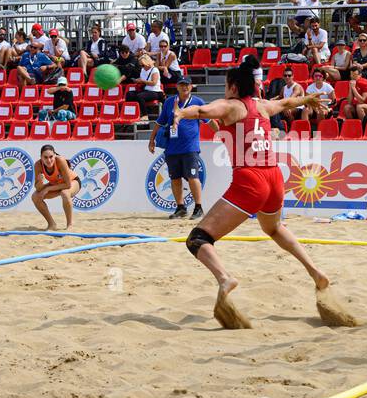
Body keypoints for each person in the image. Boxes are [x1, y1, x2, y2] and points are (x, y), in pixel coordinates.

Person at [172, 55, 354, 330]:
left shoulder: (232, 105)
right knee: (275, 228)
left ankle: (224, 278)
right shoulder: (262, 105)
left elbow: (203, 112)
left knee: (197, 239)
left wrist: (180, 113)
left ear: (233, 86)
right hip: (274, 177)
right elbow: (287, 102)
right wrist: (308, 100)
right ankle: (316, 272)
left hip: (250, 179)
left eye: (226, 85)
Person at [151, 75, 205, 220]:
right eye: (181, 84)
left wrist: (220, 132)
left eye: (186, 84)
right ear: (177, 86)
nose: (184, 87)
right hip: (172, 147)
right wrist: (151, 140)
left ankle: (198, 207)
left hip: (190, 147)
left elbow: (209, 120)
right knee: (174, 178)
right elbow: (159, 122)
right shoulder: (170, 102)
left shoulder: (198, 102)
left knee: (193, 177)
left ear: (191, 86)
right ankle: (180, 207)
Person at [31, 144, 81, 230]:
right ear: (41, 157)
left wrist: (48, 188)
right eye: (45, 157)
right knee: (35, 197)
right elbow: (38, 188)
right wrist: (40, 182)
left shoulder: (60, 160)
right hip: (56, 184)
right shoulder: (38, 165)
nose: (49, 160)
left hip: (73, 182)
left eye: (51, 157)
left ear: (55, 155)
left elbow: (68, 184)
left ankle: (70, 225)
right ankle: (52, 224)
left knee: (65, 193)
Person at [266, 66, 304, 134]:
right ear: (283, 77)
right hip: (288, 106)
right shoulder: (284, 87)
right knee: (273, 110)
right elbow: (280, 97)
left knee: (286, 110)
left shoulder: (297, 87)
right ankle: (278, 128)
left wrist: (283, 106)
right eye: (285, 75)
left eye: (289, 75)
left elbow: (291, 98)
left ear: (293, 76)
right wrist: (271, 100)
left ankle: (285, 130)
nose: (287, 77)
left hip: (298, 108)